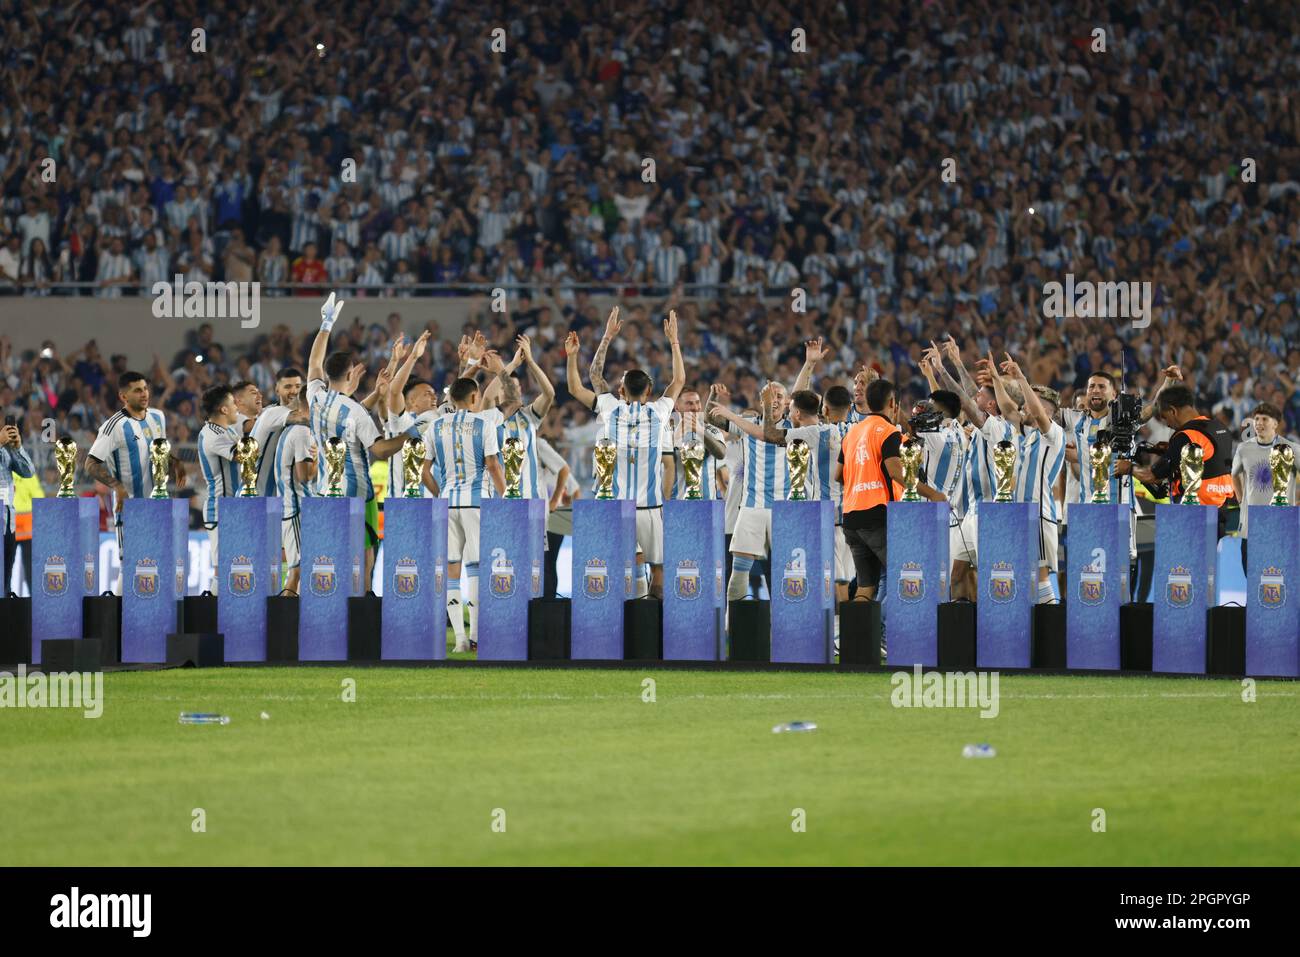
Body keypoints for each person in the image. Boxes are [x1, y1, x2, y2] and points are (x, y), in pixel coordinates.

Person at [564, 306, 685, 599]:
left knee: (628, 565)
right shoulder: (659, 412)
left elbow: (577, 386)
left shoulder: (609, 408)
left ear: (621, 389)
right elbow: (678, 381)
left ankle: (630, 626)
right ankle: (654, 629)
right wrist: (674, 341)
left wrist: (597, 342)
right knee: (659, 568)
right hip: (652, 506)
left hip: (618, 506)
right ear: (648, 391)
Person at [306, 292, 411, 585]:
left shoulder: (314, 396)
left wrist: (326, 323)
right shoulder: (355, 413)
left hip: (326, 490)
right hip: (358, 494)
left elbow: (314, 361)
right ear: (351, 374)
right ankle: (360, 607)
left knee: (332, 555)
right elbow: (379, 448)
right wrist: (410, 434)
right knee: (364, 557)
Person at [836, 378, 946, 602]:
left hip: (851, 517)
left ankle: (858, 638)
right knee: (905, 574)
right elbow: (896, 472)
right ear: (893, 404)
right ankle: (891, 633)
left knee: (865, 587)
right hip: (877, 515)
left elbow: (838, 475)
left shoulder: (851, 434)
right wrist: (932, 494)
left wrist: (861, 478)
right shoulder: (888, 431)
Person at [421, 374, 507, 652]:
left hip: (447, 502)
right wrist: (505, 497)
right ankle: (477, 638)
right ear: (473, 397)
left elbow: (423, 471)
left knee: (451, 570)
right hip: (476, 502)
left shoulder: (434, 427)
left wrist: (439, 495)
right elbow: (493, 465)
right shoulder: (485, 424)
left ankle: (459, 640)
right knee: (477, 568)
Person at [85, 371, 187, 593]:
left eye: (146, 388)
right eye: (137, 390)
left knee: (159, 562)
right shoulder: (113, 426)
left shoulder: (158, 417)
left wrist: (175, 461)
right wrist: (117, 486)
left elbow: (160, 449)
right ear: (123, 396)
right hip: (129, 507)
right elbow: (90, 464)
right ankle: (120, 621)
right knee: (131, 565)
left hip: (158, 505)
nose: (144, 394)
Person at [1135, 385, 1238, 537]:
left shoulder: (1184, 436)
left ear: (1173, 411)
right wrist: (1171, 450)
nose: (1167, 424)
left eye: (1165, 417)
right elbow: (1209, 459)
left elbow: (1152, 476)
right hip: (1221, 508)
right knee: (1214, 558)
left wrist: (1128, 468)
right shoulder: (1220, 428)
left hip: (1193, 512)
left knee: (1187, 559)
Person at [1231, 402, 1298, 576]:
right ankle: (1252, 603)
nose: (1259, 423)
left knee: (1279, 572)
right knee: (1250, 572)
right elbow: (1234, 475)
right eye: (1257, 419)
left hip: (1280, 521)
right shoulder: (1243, 448)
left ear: (1276, 424)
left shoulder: (1291, 448)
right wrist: (1240, 500)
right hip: (1251, 522)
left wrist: (1297, 500)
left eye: (1265, 419)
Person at [197, 386, 242, 590]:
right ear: (224, 409)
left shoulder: (222, 430)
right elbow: (244, 456)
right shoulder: (215, 435)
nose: (237, 407)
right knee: (222, 569)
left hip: (231, 507)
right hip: (221, 509)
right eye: (233, 403)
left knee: (234, 567)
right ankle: (211, 618)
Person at [274, 395, 318, 596]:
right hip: (296, 508)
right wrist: (320, 461)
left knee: (300, 571)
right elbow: (304, 476)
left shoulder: (290, 430)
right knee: (297, 572)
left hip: (292, 508)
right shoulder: (302, 431)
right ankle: (283, 625)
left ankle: (290, 623)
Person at [250, 366, 305, 496]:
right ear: (277, 389)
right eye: (288, 387)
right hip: (259, 495)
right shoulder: (274, 412)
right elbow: (302, 418)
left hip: (277, 497)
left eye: (298, 386)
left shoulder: (270, 411)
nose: (294, 391)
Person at [1, 419, 35, 593]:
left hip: (10, 521)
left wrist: (17, 448)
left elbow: (29, 472)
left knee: (6, 576)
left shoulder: (6, 450)